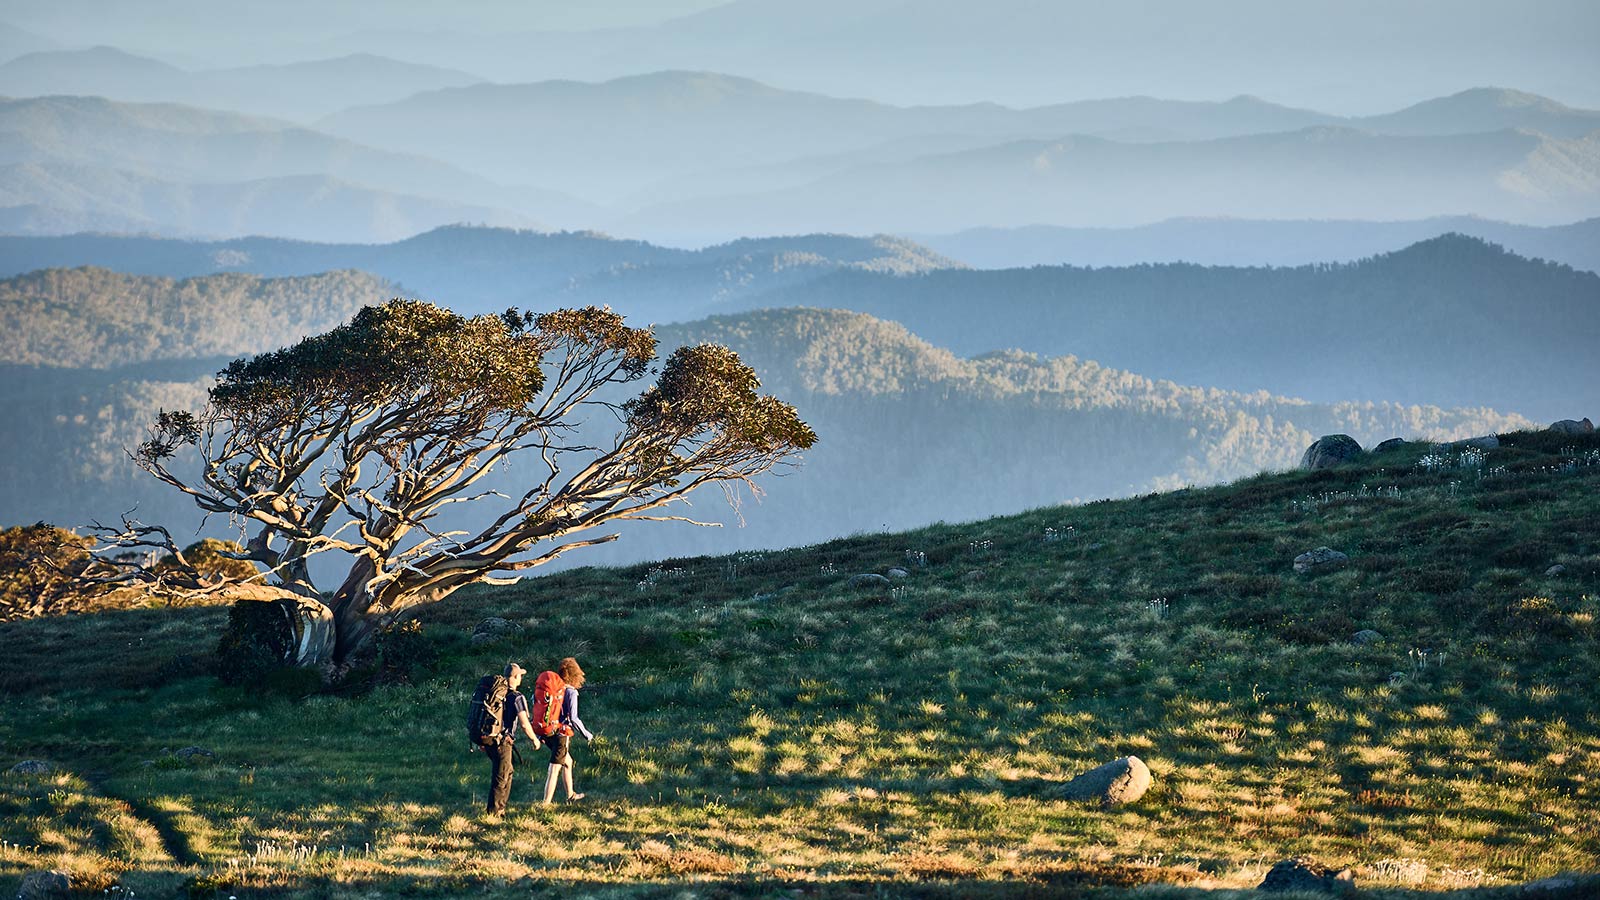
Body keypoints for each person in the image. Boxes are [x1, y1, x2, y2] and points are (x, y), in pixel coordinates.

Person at [486, 663, 542, 815]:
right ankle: (495, 812)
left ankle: (499, 808)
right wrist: (534, 740)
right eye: (520, 676)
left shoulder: (497, 693)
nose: (521, 678)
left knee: (506, 771)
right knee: (502, 775)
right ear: (516, 677)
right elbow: (524, 723)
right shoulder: (517, 697)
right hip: (502, 740)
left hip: (489, 737)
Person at [542, 656, 596, 804]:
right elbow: (573, 718)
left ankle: (571, 795)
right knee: (554, 768)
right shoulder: (571, 692)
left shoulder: (552, 689)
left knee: (568, 762)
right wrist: (587, 735)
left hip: (548, 731)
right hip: (562, 733)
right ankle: (545, 803)